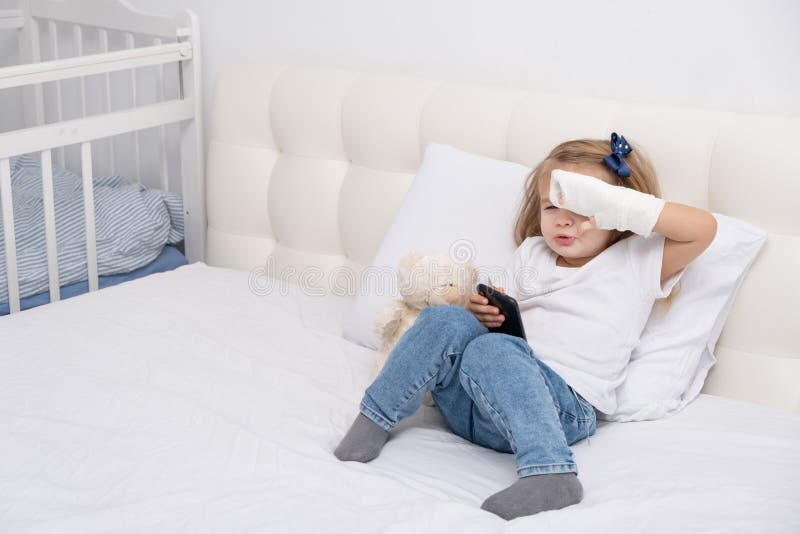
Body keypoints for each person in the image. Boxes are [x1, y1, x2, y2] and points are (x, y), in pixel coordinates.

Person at [333, 133, 718, 521]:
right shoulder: (532, 252)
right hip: (476, 404)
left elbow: (702, 229)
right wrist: (482, 313)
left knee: (493, 350)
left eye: (583, 209)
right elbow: (501, 330)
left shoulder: (635, 261)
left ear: (618, 210)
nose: (563, 219)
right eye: (552, 206)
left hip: (561, 411)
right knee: (444, 318)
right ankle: (375, 418)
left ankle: (551, 473)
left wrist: (615, 202)